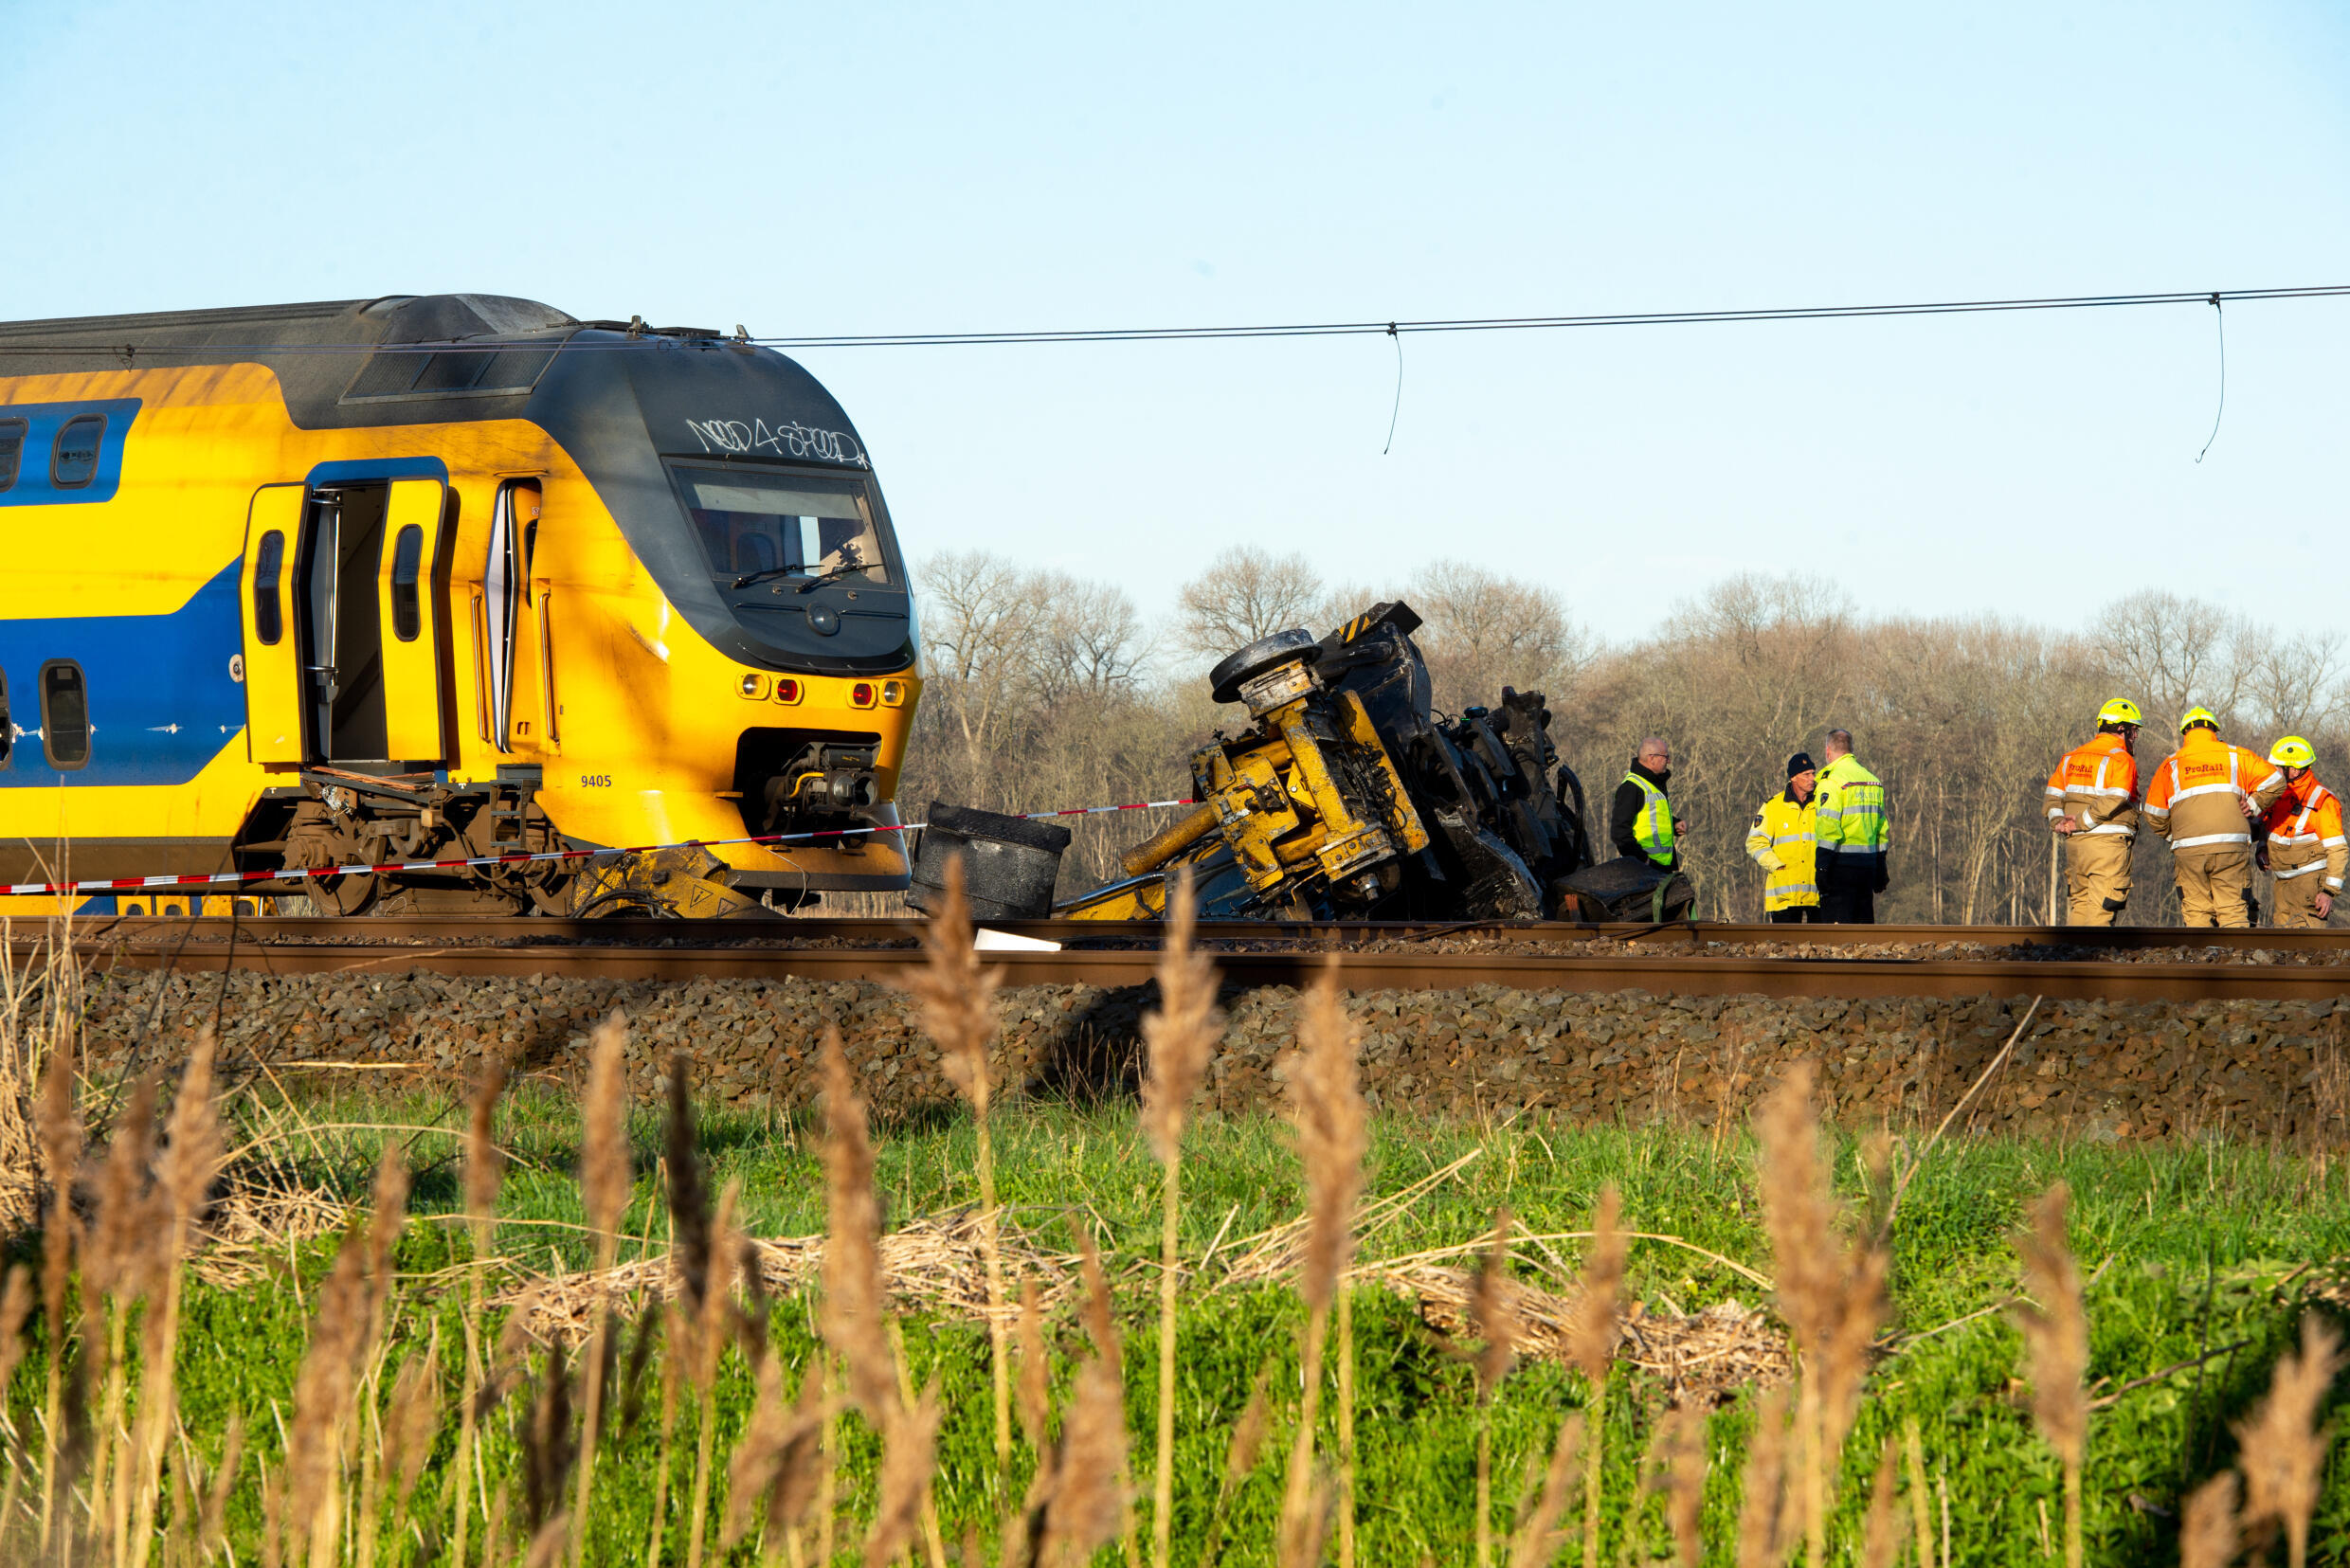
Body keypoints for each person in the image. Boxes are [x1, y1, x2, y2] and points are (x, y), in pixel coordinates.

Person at [2142, 707, 2287, 928]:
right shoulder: (2236, 756)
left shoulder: (2171, 765)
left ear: (2185, 734)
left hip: (2189, 850)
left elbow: (2153, 813)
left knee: (2197, 913)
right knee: (2234, 911)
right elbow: (2277, 780)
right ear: (2214, 731)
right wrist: (2253, 805)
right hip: (2230, 846)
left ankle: (2201, 961)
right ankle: (2235, 959)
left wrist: (2175, 836)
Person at [2045, 698, 2143, 925]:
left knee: (2080, 907)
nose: (2135, 736)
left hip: (2076, 846)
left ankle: (2071, 959)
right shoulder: (2121, 759)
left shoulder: (2071, 758)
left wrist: (2059, 822)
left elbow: (2052, 796)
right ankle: (2093, 960)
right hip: (2106, 846)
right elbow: (2117, 797)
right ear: (2122, 729)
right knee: (2101, 913)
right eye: (2134, 730)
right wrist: (2082, 821)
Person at [2253, 735, 2345, 928]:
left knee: (2307, 950)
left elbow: (2338, 850)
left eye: (2278, 768)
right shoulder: (2279, 795)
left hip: (2309, 886)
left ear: (2293, 770)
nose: (2273, 772)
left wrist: (2328, 892)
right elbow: (2268, 826)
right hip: (2282, 883)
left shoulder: (2323, 802)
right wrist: (2263, 847)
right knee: (2282, 951)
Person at [1813, 729, 1889, 923]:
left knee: (1838, 933)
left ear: (1828, 751)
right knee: (1863, 930)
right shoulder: (1873, 781)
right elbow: (1882, 829)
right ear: (1851, 749)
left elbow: (1829, 827)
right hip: (1868, 864)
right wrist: (1881, 865)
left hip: (1840, 866)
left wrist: (1822, 867)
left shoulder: (1831, 781)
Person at [1744, 752, 1819, 922]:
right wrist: (1775, 866)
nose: (1812, 778)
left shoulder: (1822, 805)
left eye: (1813, 773)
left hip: (1816, 894)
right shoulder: (1773, 807)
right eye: (1806, 774)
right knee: (1785, 947)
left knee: (1821, 947)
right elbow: (1755, 842)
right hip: (1784, 895)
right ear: (1793, 777)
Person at [1610, 736, 1678, 870]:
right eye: (1666, 757)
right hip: (1645, 871)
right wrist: (1642, 860)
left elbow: (1653, 819)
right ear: (1651, 758)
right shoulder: (1631, 787)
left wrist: (1675, 824)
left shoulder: (1653, 783)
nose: (1669, 761)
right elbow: (1619, 832)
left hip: (1662, 867)